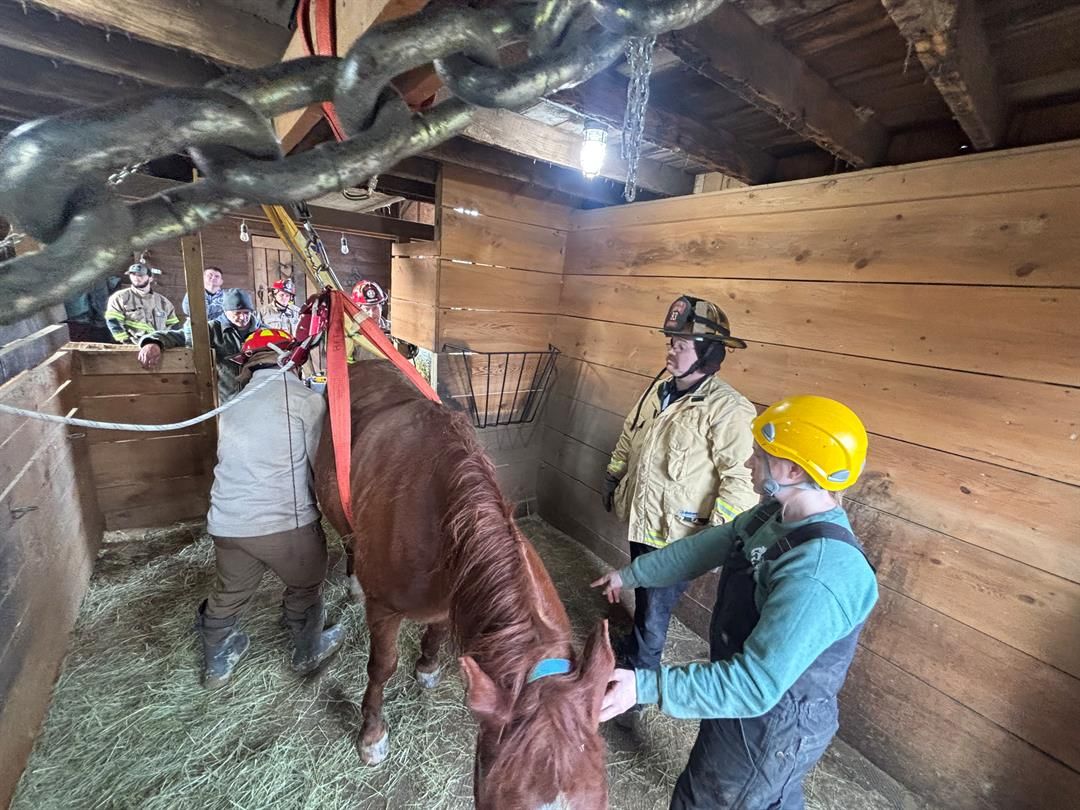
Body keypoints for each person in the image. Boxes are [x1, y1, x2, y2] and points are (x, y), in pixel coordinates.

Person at [592, 395, 878, 810]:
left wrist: (646, 685)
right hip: (744, 695)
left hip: (774, 721)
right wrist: (631, 574)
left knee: (708, 799)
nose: (748, 464)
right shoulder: (771, 517)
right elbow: (703, 549)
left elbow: (754, 685)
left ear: (793, 470)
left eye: (760, 456)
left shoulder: (818, 572)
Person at [603, 295, 758, 707]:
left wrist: (710, 540)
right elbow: (629, 433)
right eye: (670, 341)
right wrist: (614, 475)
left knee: (655, 613)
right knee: (645, 597)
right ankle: (637, 655)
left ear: (707, 354)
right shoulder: (659, 391)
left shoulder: (729, 411)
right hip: (643, 520)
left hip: (678, 537)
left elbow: (739, 484)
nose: (670, 350)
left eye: (680, 344)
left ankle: (637, 686)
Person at [194, 327, 345, 688]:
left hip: (227, 525)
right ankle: (306, 646)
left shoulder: (231, 404)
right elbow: (319, 467)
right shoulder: (305, 401)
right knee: (306, 583)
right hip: (283, 525)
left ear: (248, 363)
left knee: (230, 591)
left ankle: (218, 660)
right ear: (290, 359)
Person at [138, 288, 261, 403]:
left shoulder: (262, 332)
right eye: (237, 313)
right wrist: (152, 342)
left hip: (258, 398)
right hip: (227, 401)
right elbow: (178, 336)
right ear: (225, 311)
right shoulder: (212, 329)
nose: (243, 317)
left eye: (246, 312)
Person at [104, 262, 180, 344]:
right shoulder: (120, 297)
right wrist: (126, 342)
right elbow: (113, 321)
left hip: (158, 347)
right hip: (132, 347)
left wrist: (166, 343)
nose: (136, 278)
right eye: (132, 274)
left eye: (140, 275)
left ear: (150, 278)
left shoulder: (164, 302)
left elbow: (174, 326)